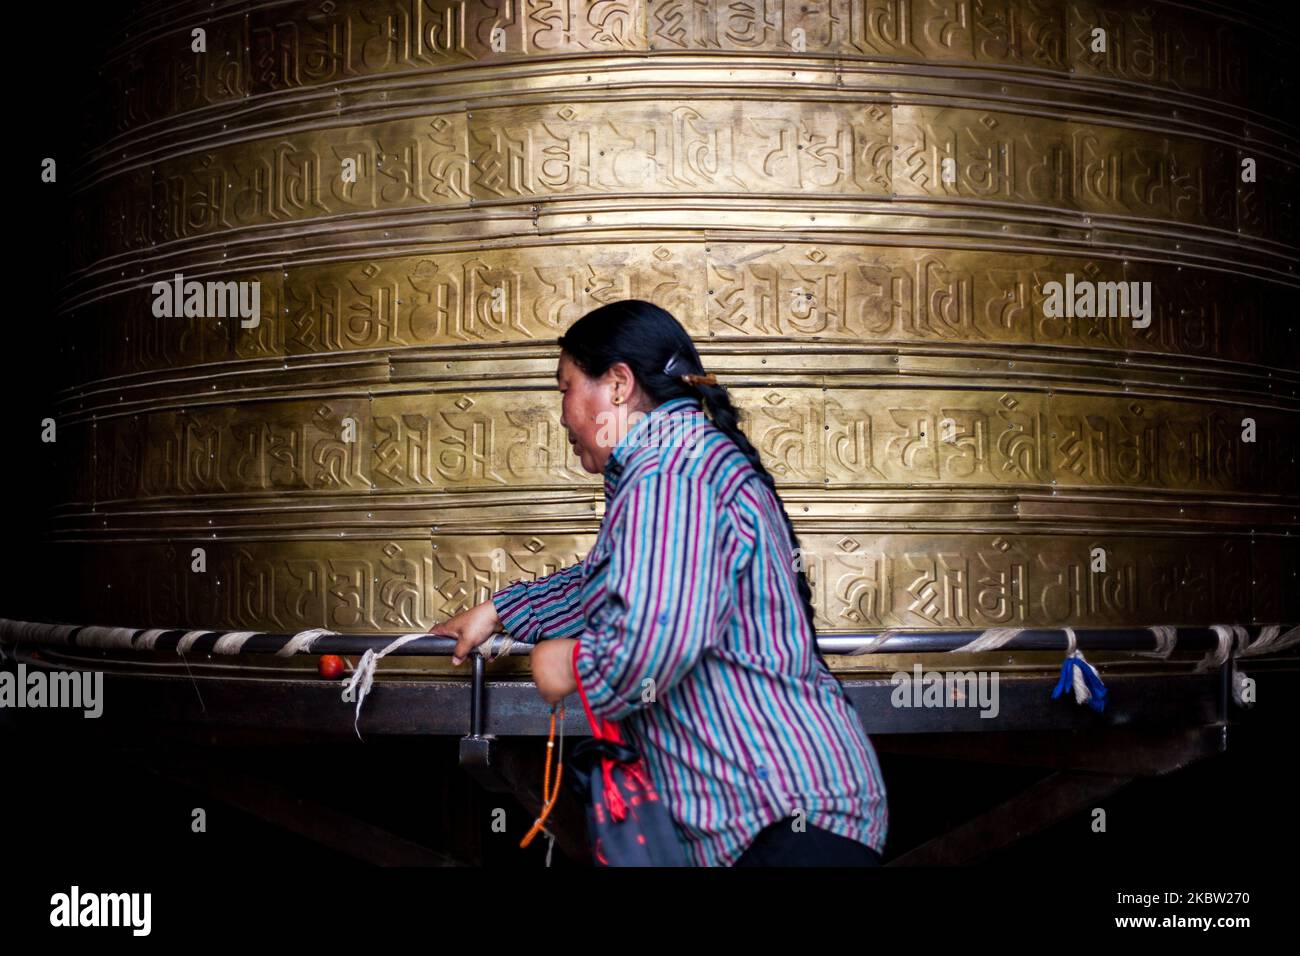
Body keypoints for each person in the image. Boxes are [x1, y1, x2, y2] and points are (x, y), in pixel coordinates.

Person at [431, 299, 887, 866]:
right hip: (774, 817)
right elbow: (629, 583)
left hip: (782, 820)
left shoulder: (671, 470)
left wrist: (571, 664)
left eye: (565, 388)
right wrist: (500, 610)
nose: (562, 414)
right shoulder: (679, 462)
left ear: (618, 385)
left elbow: (658, 636)